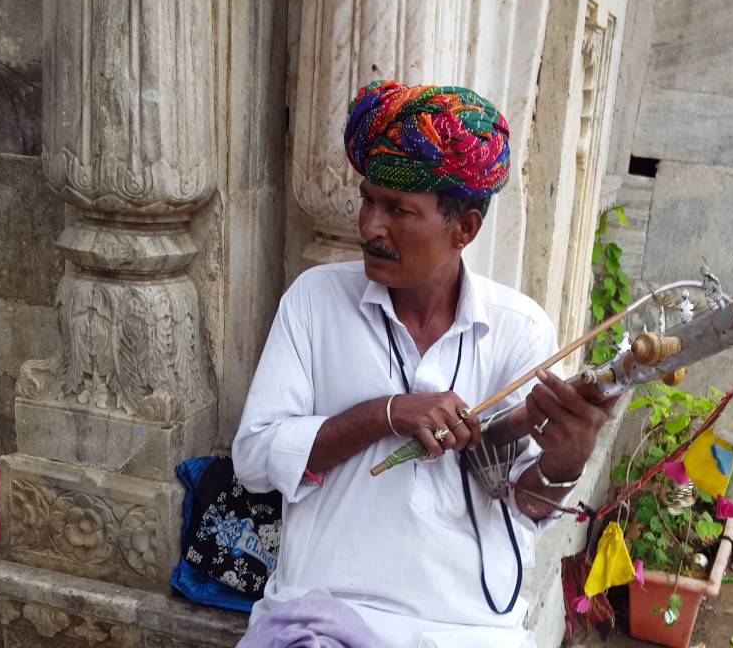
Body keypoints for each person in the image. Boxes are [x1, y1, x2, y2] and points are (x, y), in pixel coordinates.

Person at [232, 80, 616, 647]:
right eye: (368, 200)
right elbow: (254, 460)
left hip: (468, 628)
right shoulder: (314, 300)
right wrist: (384, 415)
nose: (368, 227)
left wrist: (564, 465)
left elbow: (524, 503)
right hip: (326, 614)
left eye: (398, 210)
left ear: (464, 228)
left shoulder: (520, 329)